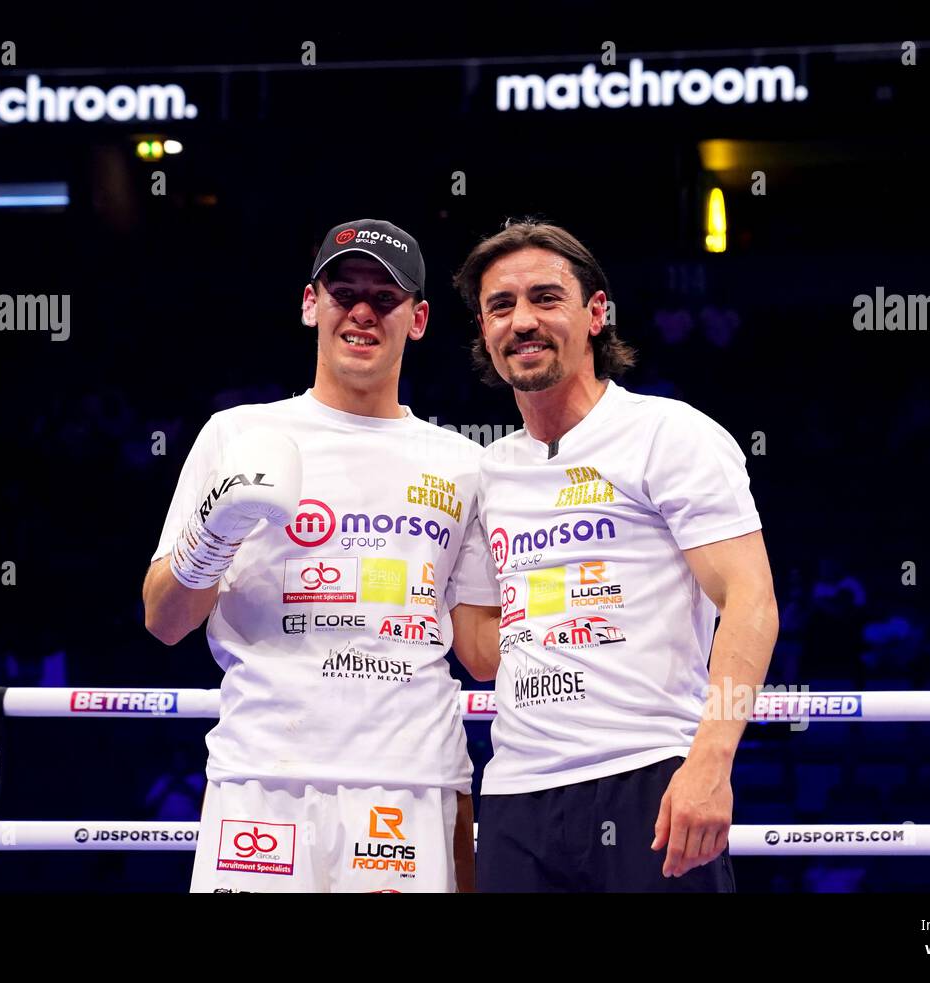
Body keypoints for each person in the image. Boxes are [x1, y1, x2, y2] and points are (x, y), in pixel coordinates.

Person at [143, 219, 500, 892]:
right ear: (312, 303)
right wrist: (215, 533)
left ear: (418, 319)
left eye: (385, 297)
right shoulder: (239, 434)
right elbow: (164, 620)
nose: (362, 311)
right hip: (263, 778)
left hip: (410, 779)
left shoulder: (463, 465)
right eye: (344, 291)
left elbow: (482, 650)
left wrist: (587, 627)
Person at [452, 220, 778, 892]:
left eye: (546, 298)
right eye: (501, 306)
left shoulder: (667, 434)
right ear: (484, 329)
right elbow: (482, 654)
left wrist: (711, 763)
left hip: (652, 776)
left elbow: (751, 601)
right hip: (518, 793)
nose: (523, 321)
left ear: (596, 313)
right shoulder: (484, 474)